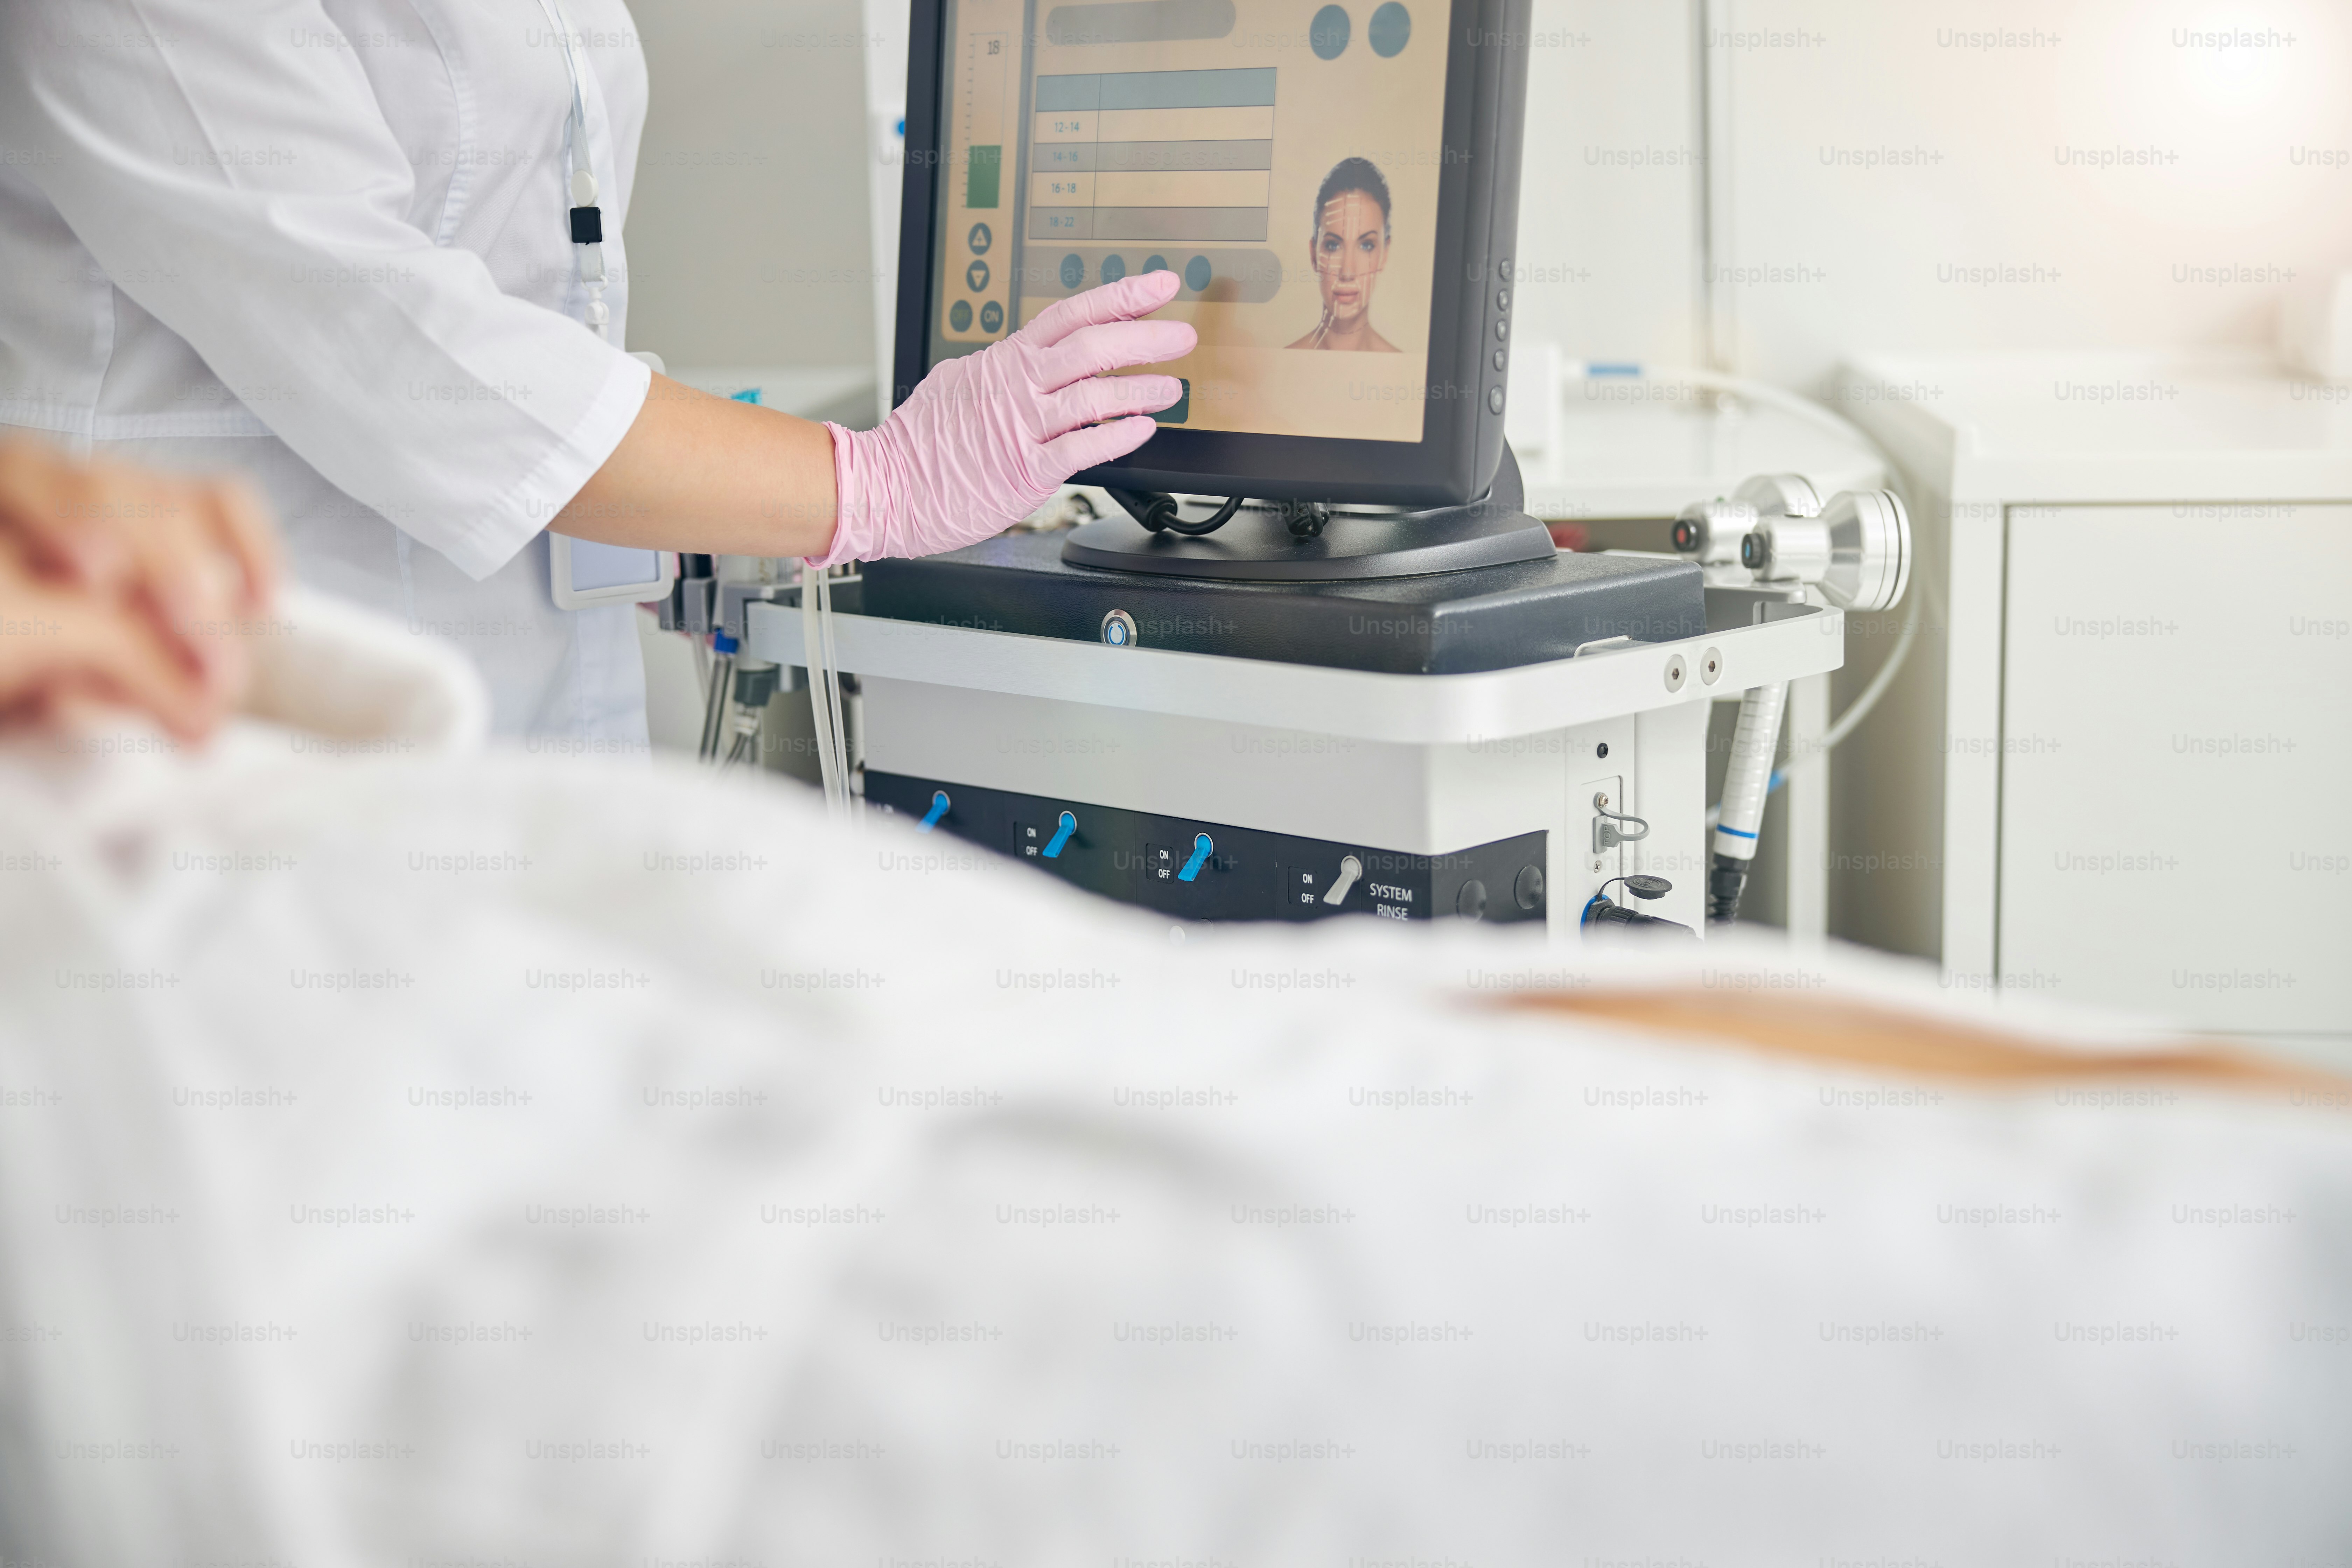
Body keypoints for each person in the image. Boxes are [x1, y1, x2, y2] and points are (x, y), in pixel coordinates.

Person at [0, 2, 1190, 744]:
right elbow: (400, 346)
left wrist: (688, 508)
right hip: (251, 704)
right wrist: (875, 485)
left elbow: (546, 284)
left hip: (538, 688)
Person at [1287, 156, 1401, 353]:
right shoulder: (1281, 365)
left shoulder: (1404, 371)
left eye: (1366, 246)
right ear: (1314, 254)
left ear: (1384, 253)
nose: (1347, 272)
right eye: (1333, 246)